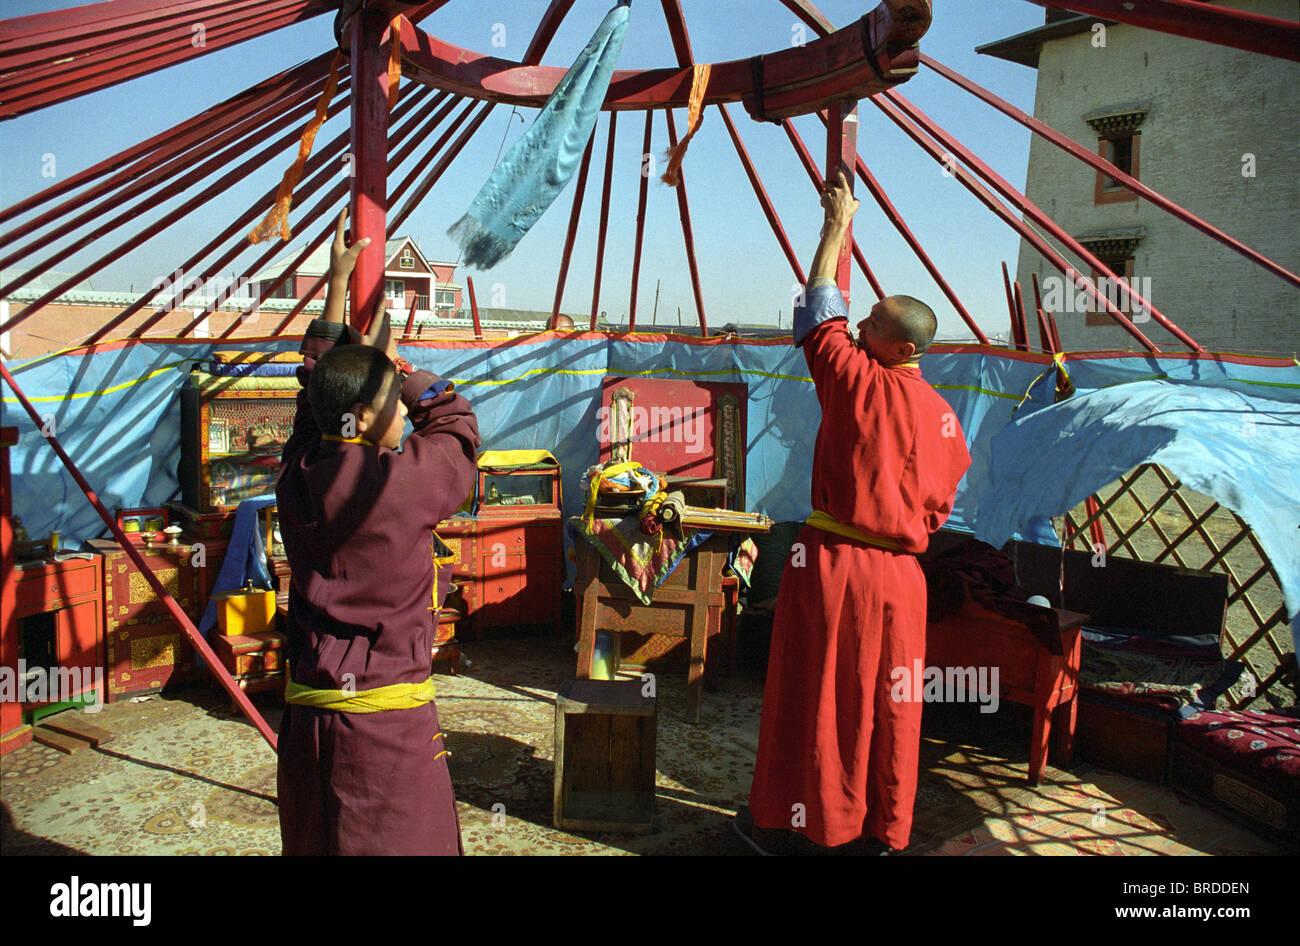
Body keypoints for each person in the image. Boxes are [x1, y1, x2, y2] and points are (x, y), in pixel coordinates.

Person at [736, 169, 972, 855]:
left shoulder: (856, 378)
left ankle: (800, 829)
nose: (858, 328)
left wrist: (837, 223)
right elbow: (939, 506)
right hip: (903, 584)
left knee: (815, 700)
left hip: (836, 567)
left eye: (871, 325)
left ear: (901, 347)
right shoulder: (947, 416)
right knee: (888, 709)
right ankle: (879, 834)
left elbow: (817, 312)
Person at [275, 208, 481, 856]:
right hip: (386, 735)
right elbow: (459, 426)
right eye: (394, 403)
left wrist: (336, 287)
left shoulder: (297, 473)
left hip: (308, 724)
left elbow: (314, 397)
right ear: (365, 416)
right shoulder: (401, 485)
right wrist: (403, 366)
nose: (405, 419)